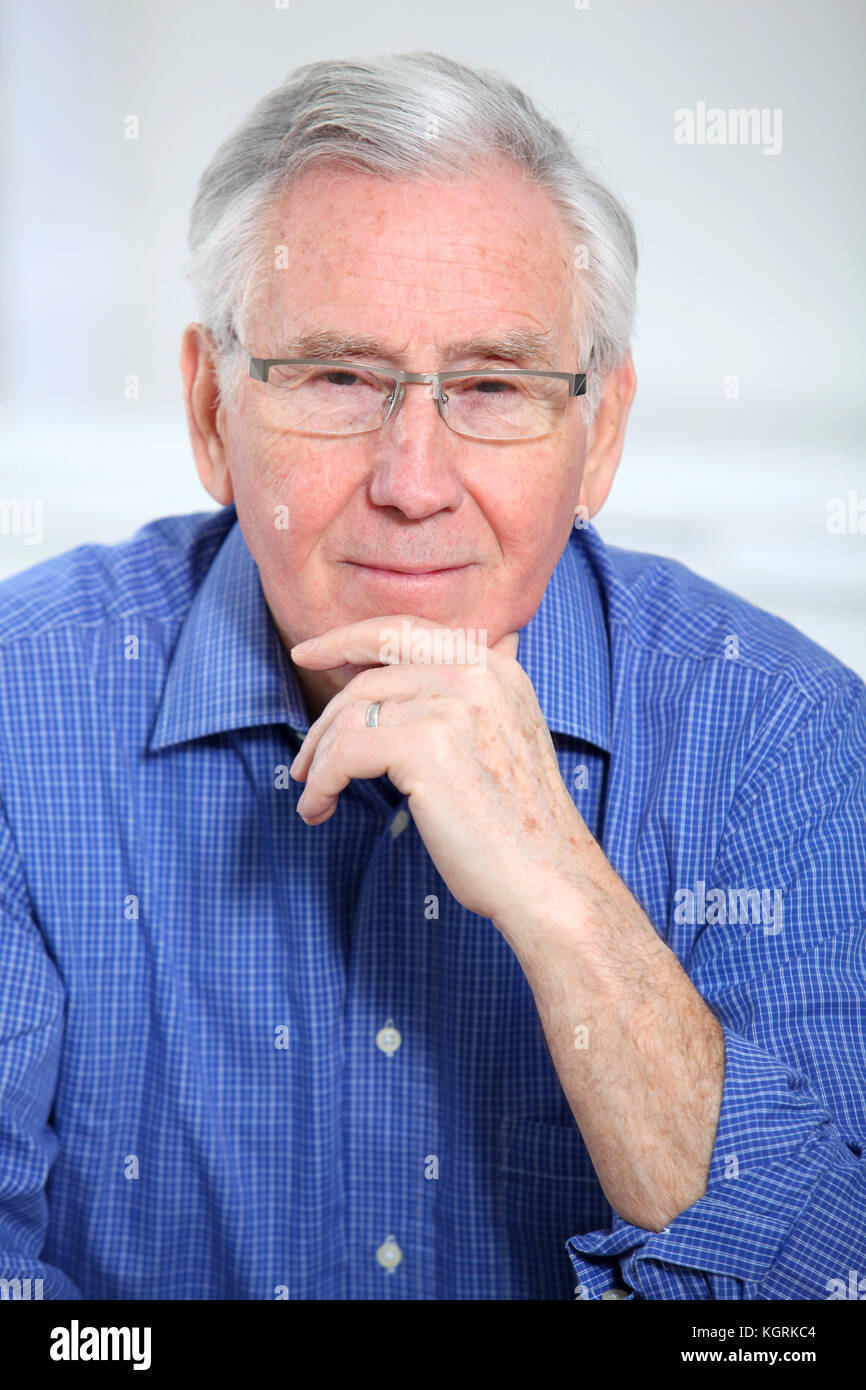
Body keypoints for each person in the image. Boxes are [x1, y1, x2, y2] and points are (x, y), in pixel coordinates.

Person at [0, 51, 863, 1303]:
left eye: (492, 386)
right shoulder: (19, 712)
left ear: (599, 435)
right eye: (336, 377)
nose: (412, 479)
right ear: (206, 411)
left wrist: (567, 900)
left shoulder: (792, 743)